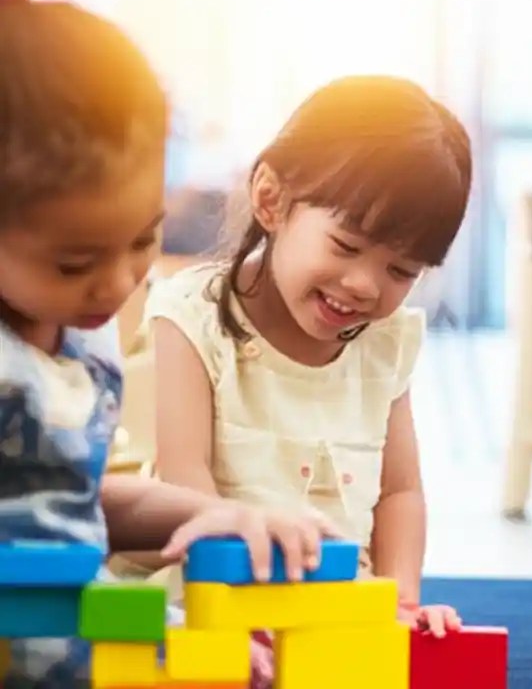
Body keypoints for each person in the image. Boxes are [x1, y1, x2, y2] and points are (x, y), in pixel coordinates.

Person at [0, 0, 340, 685]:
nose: (118, 282)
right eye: (74, 262)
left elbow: (75, 496)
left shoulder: (77, 344)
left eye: (142, 240)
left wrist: (216, 514)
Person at [147, 75, 472, 649]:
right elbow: (185, 487)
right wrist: (242, 609)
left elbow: (400, 490)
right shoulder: (191, 313)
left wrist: (398, 602)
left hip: (338, 613)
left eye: (402, 271)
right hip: (212, 603)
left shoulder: (386, 339)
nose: (365, 286)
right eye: (346, 246)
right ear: (271, 200)